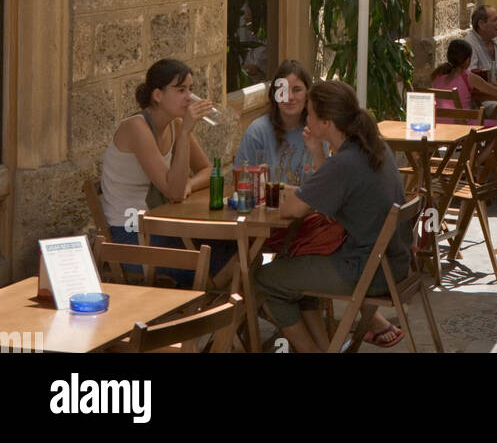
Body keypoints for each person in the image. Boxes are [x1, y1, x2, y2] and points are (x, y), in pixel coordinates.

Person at [254, 80, 410, 352]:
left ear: (326, 122)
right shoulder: (373, 147)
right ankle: (326, 346)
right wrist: (316, 151)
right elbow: (328, 185)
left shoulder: (345, 162)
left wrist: (262, 198)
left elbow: (293, 209)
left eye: (311, 112)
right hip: (392, 262)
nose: (306, 116)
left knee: (264, 280)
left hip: (366, 271)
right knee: (297, 263)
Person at [100, 58, 225, 283]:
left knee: (231, 248)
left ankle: (211, 310)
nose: (189, 97)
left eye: (190, 89)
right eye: (180, 90)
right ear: (157, 95)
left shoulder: (175, 124)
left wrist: (188, 184)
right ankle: (201, 312)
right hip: (130, 236)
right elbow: (173, 192)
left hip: (159, 226)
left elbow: (208, 170)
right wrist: (186, 132)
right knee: (218, 260)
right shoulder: (136, 128)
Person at [234, 60, 327, 187]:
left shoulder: (318, 131)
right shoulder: (257, 131)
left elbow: (327, 184)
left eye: (297, 90)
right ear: (274, 95)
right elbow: (241, 181)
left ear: (307, 95)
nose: (289, 97)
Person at [430, 38, 497, 118]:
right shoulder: (468, 77)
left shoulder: (437, 75)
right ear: (467, 60)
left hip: (439, 123)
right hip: (463, 125)